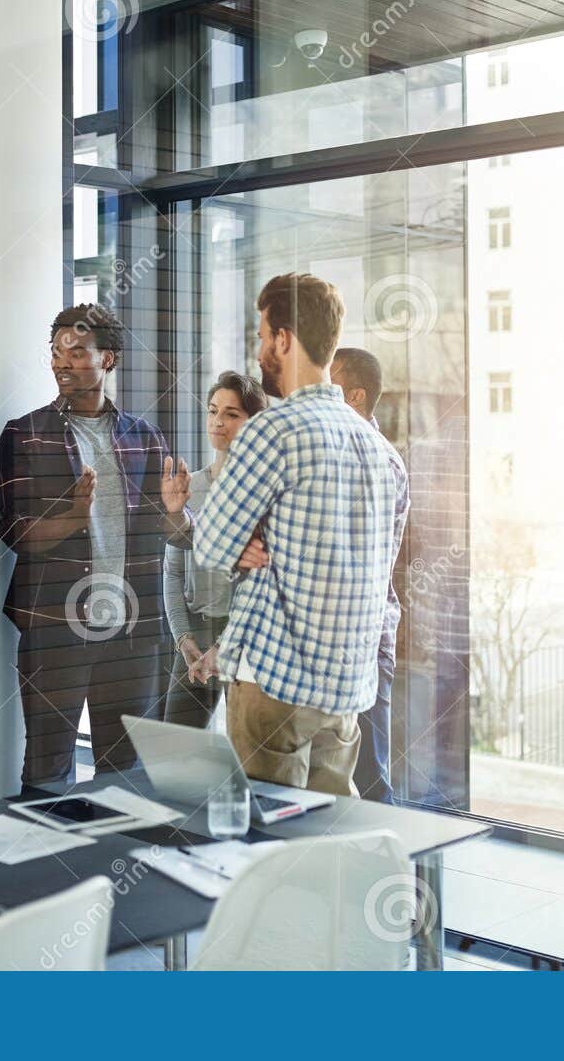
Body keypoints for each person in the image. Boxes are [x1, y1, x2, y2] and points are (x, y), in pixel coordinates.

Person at [193, 274, 410, 795]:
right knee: (326, 846)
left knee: (268, 845)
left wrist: (247, 540)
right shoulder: (383, 452)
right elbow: (379, 568)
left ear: (283, 340)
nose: (260, 349)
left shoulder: (273, 430)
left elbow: (211, 544)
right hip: (345, 691)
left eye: (262, 335)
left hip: (275, 684)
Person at [0, 304, 192, 789]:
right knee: (48, 770)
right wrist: (72, 518)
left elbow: (177, 536)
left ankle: (113, 863)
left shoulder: (144, 438)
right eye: (57, 352)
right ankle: (38, 864)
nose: (63, 362)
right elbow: (16, 533)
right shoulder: (24, 435)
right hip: (55, 631)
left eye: (77, 352)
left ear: (109, 359)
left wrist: (174, 510)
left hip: (133, 634)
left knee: (127, 775)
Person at [163, 371, 267, 728]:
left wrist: (224, 646)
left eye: (232, 414)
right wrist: (184, 639)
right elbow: (173, 570)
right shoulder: (188, 487)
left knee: (249, 755)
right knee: (176, 752)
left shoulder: (266, 492)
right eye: (212, 411)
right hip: (195, 634)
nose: (218, 421)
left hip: (247, 641)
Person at [331, 346, 403, 804]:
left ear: (355, 396)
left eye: (330, 383)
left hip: (365, 643)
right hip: (342, 643)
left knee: (371, 780)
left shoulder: (378, 461)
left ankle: (393, 875)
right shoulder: (342, 455)